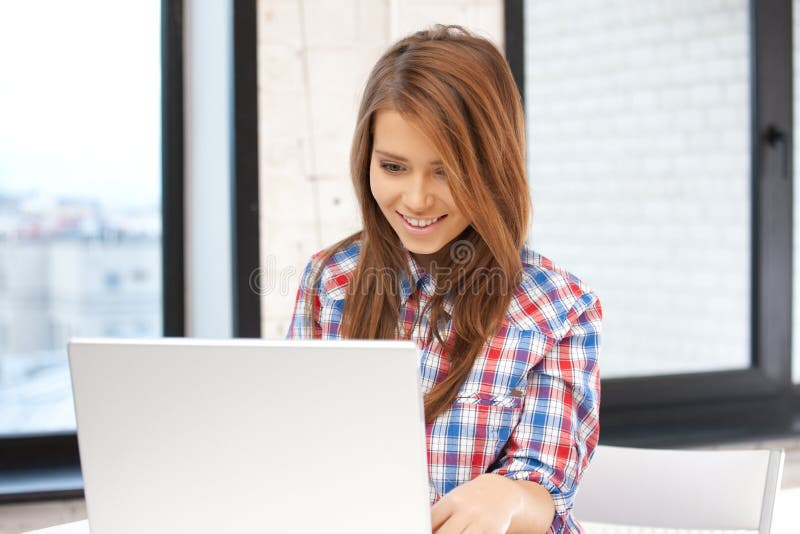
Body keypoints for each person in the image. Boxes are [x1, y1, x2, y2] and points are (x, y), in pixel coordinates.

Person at [287, 24, 602, 534]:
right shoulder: (331, 281)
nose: (416, 200)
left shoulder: (558, 307)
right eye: (393, 167)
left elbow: (547, 491)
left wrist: (510, 496)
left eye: (446, 171)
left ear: (493, 165)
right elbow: (298, 447)